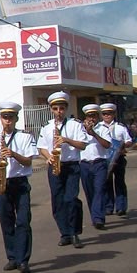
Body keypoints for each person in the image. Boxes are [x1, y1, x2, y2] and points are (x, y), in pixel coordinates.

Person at [0, 102, 39, 273]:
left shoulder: (25, 137)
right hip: (2, 183)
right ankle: (12, 257)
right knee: (6, 221)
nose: (7, 121)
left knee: (22, 221)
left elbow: (29, 161)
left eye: (11, 118)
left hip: (19, 182)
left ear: (16, 119)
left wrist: (13, 154)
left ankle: (23, 260)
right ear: (1, 119)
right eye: (4, 118)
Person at [37, 91, 91, 249]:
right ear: (51, 110)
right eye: (55, 109)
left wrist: (66, 140)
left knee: (71, 199)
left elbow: (83, 145)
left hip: (71, 165)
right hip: (54, 165)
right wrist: (48, 157)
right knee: (58, 201)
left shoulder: (75, 125)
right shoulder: (47, 128)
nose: (58, 112)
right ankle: (65, 233)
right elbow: (41, 148)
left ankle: (75, 233)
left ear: (66, 109)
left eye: (61, 108)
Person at [77, 103, 113, 231]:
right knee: (90, 192)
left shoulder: (103, 129)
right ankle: (95, 216)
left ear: (98, 117)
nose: (91, 119)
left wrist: (94, 134)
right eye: (89, 116)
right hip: (85, 164)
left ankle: (99, 218)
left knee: (99, 190)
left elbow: (107, 145)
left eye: (93, 116)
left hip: (99, 163)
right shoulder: (79, 129)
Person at [100, 103, 134, 217]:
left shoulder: (121, 127)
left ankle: (121, 207)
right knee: (106, 183)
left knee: (119, 182)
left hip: (118, 158)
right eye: (104, 114)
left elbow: (129, 140)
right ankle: (108, 207)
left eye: (109, 113)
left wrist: (124, 145)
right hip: (105, 159)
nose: (107, 116)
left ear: (114, 114)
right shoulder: (98, 127)